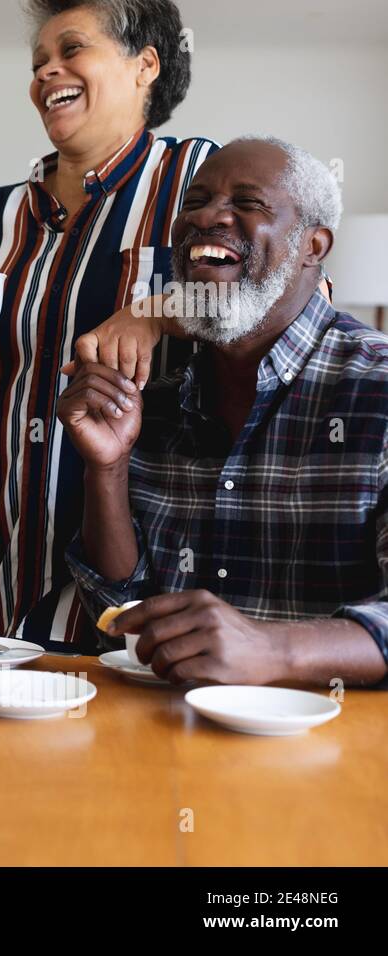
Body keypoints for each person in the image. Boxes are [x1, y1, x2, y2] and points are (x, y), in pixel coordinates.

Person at [0, 0, 217, 650]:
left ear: (145, 64)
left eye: (71, 50)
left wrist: (157, 311)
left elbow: (290, 299)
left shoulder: (197, 183)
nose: (47, 73)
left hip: (132, 604)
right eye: (38, 61)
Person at [60, 137, 388, 687]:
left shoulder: (376, 388)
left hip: (333, 752)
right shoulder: (153, 397)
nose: (209, 215)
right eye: (196, 201)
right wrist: (107, 470)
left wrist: (270, 649)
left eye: (249, 203)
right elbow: (120, 613)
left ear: (313, 245)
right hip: (160, 737)